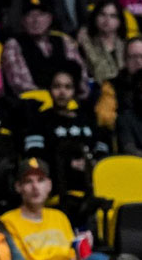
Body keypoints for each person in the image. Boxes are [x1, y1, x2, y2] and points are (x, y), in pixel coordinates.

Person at [1, 158, 107, 260]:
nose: (35, 187)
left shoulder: (59, 217)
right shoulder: (8, 221)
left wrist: (83, 249)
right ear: (18, 187)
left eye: (40, 180)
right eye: (28, 181)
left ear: (49, 185)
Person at [23, 63, 109, 193]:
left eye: (68, 87)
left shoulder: (86, 118)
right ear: (49, 89)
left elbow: (101, 145)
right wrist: (69, 164)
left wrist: (92, 162)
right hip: (57, 182)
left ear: (74, 91)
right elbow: (35, 155)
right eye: (57, 86)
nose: (62, 92)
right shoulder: (39, 119)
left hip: (91, 179)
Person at [1, 0, 89, 97]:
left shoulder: (63, 41)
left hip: (68, 102)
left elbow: (82, 79)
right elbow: (21, 85)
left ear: (50, 18)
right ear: (23, 20)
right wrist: (55, 98)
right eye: (30, 15)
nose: (36, 20)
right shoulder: (13, 45)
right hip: (32, 106)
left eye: (41, 14)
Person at [77, 0, 129, 84]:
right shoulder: (84, 42)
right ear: (95, 17)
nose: (107, 20)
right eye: (102, 14)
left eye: (113, 16)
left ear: (119, 21)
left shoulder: (126, 45)